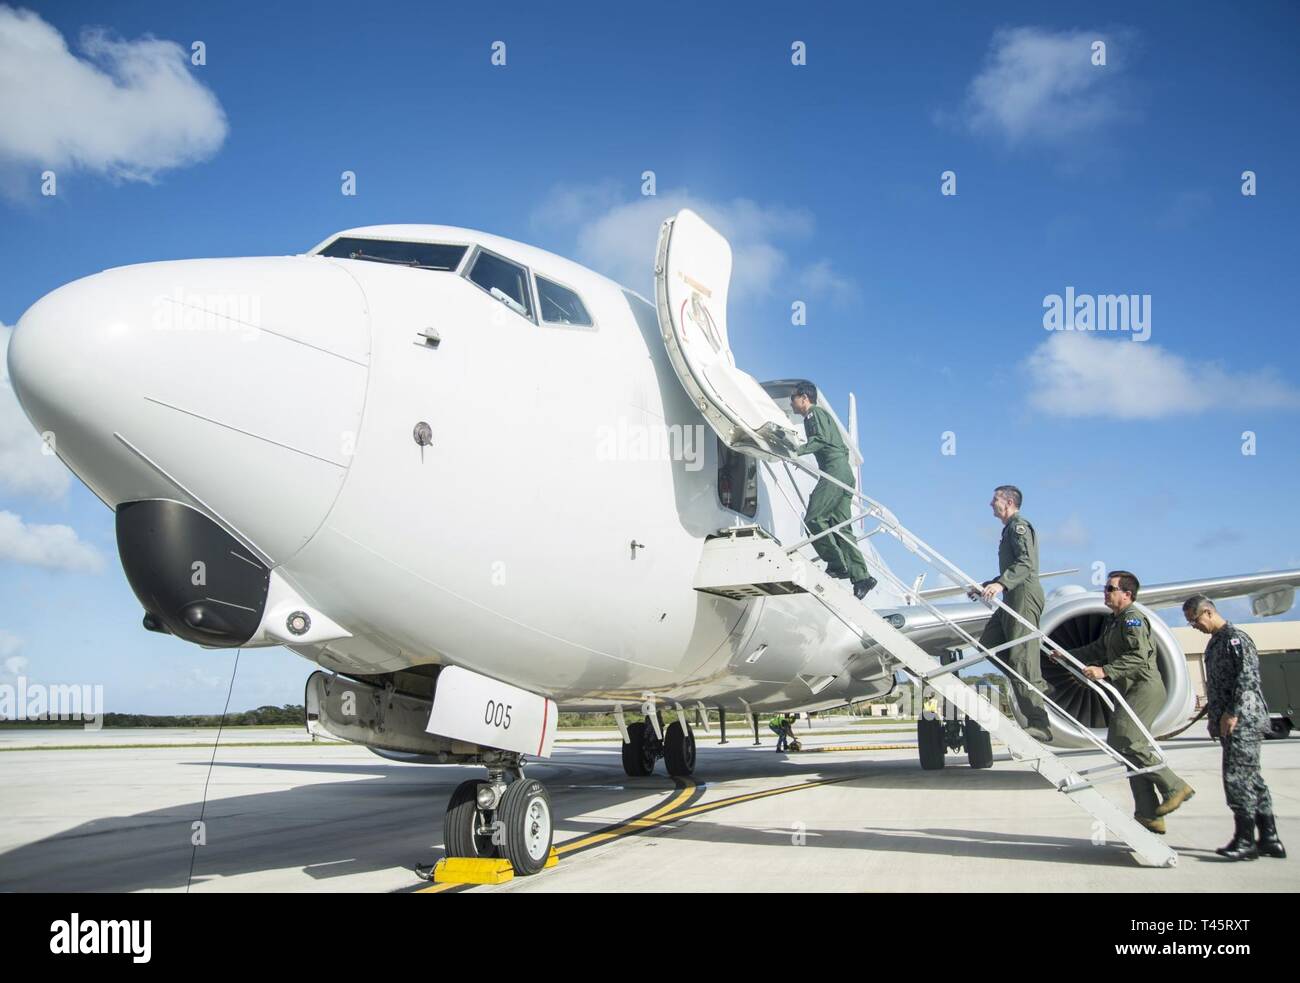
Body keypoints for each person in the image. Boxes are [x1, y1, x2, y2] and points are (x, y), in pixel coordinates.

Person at [1061, 571, 1194, 834]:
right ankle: (1148, 814)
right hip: (1130, 690)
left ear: (1127, 594)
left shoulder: (1133, 620)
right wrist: (1065, 655)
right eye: (1106, 588)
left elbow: (1139, 657)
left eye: (1110, 589)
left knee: (1126, 740)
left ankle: (1175, 786)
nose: (1105, 593)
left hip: (1144, 689)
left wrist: (1105, 671)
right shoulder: (1114, 621)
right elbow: (1098, 648)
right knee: (1126, 748)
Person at [1183, 594, 1286, 861]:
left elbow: (1248, 679)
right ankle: (1270, 839)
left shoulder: (1235, 639)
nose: (1194, 626)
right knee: (1253, 779)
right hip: (1230, 721)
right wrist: (1213, 718)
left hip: (1243, 721)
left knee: (1237, 779)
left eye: (1194, 620)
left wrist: (1231, 714)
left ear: (1207, 612)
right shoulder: (1215, 643)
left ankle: (1245, 841)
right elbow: (1218, 686)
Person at [968, 485, 1052, 742]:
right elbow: (1015, 565)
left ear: (1008, 502)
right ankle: (1041, 684)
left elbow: (1026, 563)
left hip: (1023, 596)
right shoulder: (1008, 530)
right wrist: (987, 585)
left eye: (994, 499)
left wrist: (1001, 583)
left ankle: (1040, 722)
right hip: (1011, 596)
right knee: (989, 645)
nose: (990, 504)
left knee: (1021, 657)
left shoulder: (1019, 526)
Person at [789, 382, 876, 600]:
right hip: (844, 473)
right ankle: (862, 577)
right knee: (842, 529)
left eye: (793, 397)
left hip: (834, 472)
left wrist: (795, 450)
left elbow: (820, 440)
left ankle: (838, 564)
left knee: (814, 518)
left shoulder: (813, 414)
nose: (792, 402)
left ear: (804, 398)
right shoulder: (819, 415)